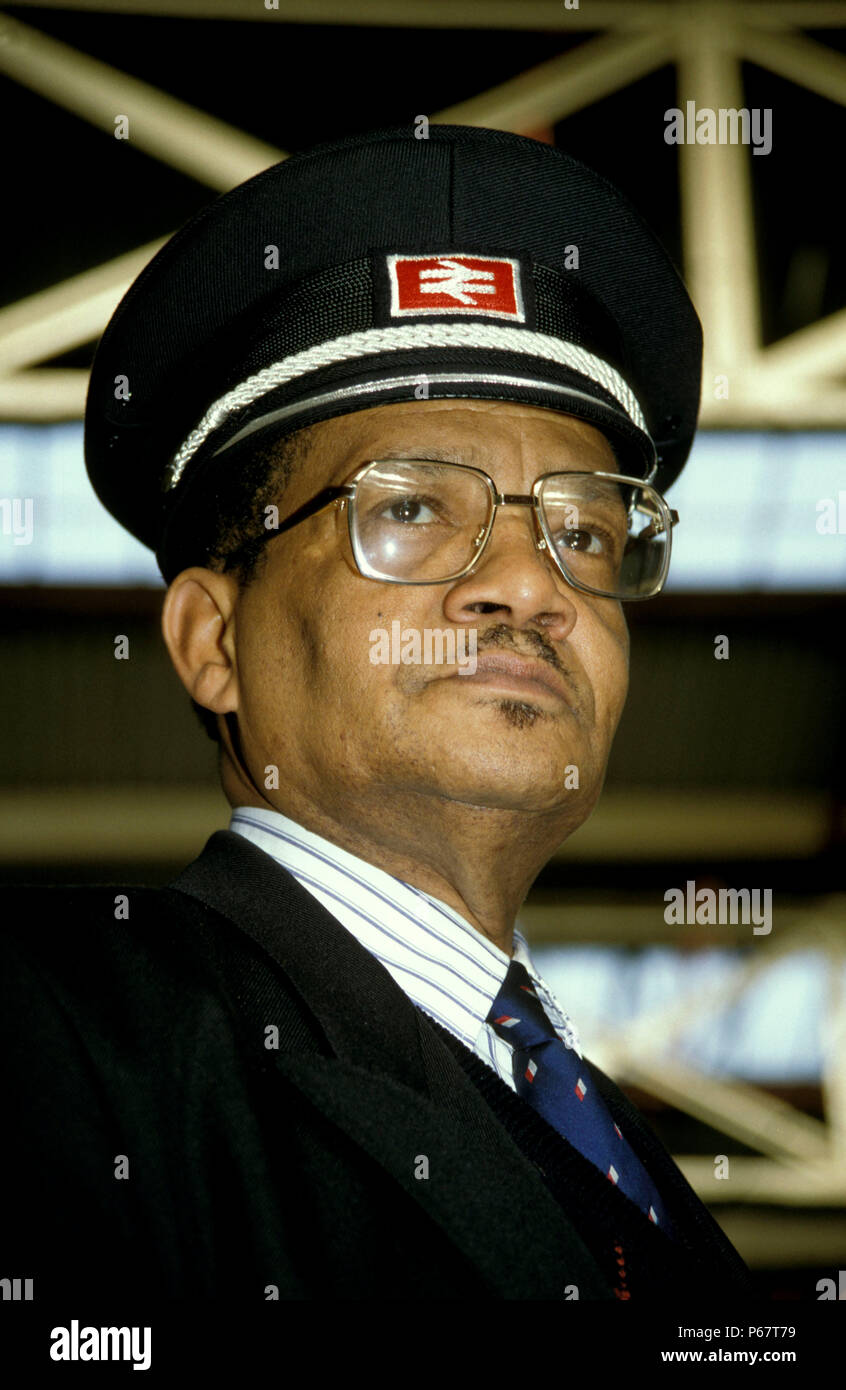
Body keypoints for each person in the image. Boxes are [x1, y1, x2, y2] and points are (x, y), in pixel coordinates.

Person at [2, 124, 753, 1301]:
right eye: (409, 507)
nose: (531, 582)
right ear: (215, 642)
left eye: (587, 531)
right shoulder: (42, 1040)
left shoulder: (628, 1164)